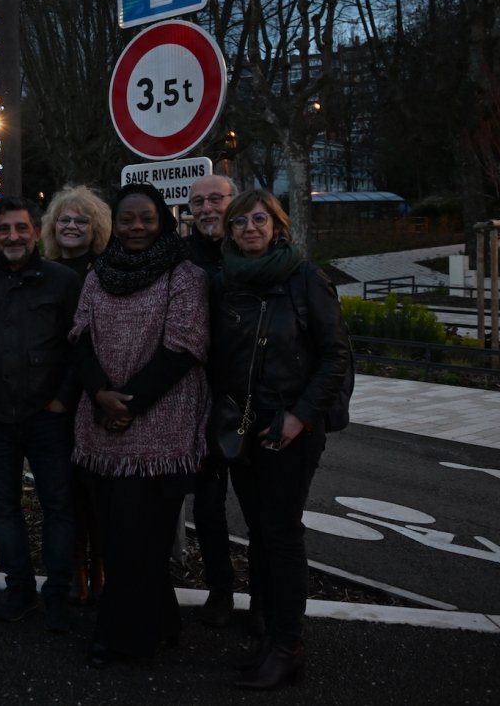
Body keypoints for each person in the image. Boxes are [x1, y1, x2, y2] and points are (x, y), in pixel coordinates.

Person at [209, 189, 350, 689]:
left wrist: (300, 417)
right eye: (240, 221)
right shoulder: (222, 282)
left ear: (277, 226)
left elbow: (336, 356)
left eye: (260, 219)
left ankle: (288, 647)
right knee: (259, 532)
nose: (250, 227)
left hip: (288, 426)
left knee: (282, 532)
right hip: (240, 426)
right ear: (228, 231)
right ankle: (270, 640)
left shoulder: (305, 278)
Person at [70, 182, 210, 669]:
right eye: (127, 219)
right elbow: (80, 337)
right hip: (101, 429)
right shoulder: (97, 272)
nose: (135, 228)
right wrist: (99, 394)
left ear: (162, 220)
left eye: (146, 218)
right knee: (118, 536)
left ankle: (125, 639)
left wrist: (128, 404)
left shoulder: (184, 275)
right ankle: (163, 621)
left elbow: (184, 346)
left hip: (161, 430)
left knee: (139, 540)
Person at [0, 197, 81, 632]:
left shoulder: (63, 282)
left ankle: (58, 595)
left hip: (49, 418)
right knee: (4, 508)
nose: (13, 237)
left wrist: (64, 398)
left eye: (20, 228)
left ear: (36, 231)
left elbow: (78, 346)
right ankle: (19, 589)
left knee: (59, 508)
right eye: (4, 229)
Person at [40, 184, 112, 606]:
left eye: (81, 220)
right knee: (62, 493)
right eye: (64, 219)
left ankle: (100, 571)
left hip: (93, 396)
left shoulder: (105, 273)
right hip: (53, 401)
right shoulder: (44, 269)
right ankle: (74, 573)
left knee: (96, 493)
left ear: (96, 227)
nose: (71, 226)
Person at [183, 173, 241, 629]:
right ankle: (220, 589)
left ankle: (268, 599)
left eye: (215, 199)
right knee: (206, 505)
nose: (206, 208)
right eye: (198, 201)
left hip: (255, 402)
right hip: (202, 401)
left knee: (264, 509)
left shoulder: (262, 254)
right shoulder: (183, 262)